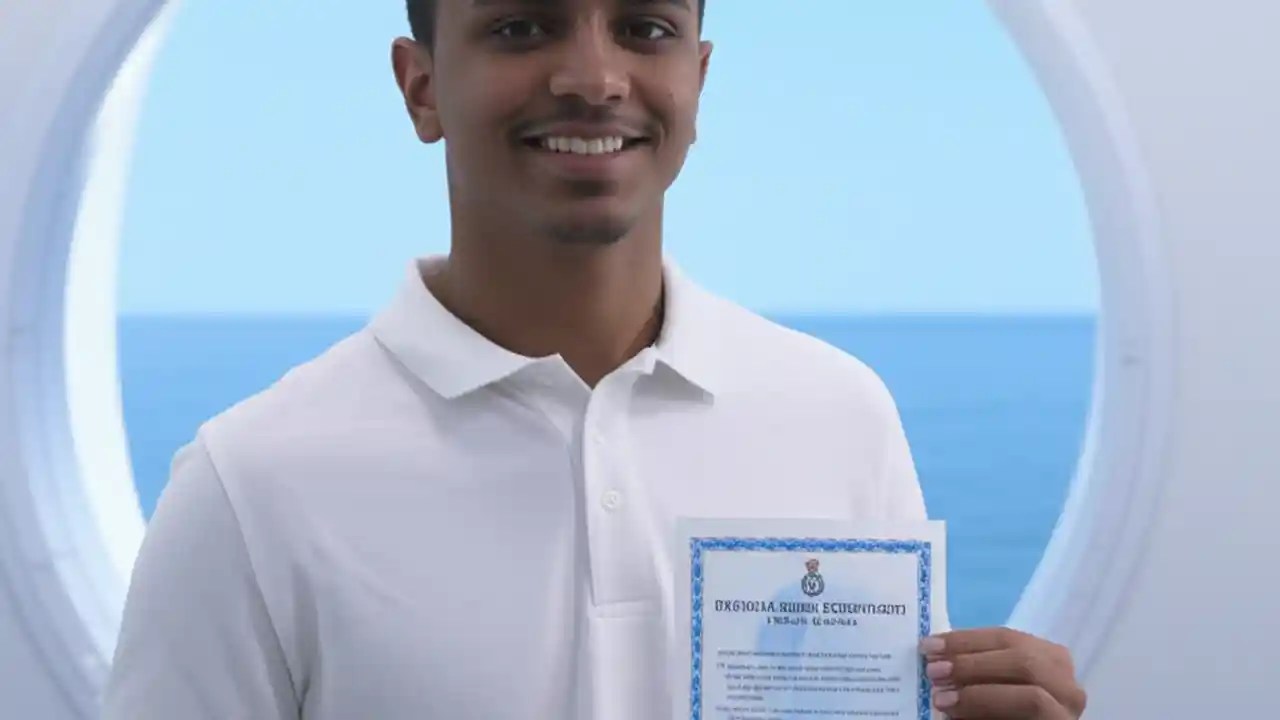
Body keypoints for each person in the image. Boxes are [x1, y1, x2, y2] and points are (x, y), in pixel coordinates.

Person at [103, 0, 1087, 718]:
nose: (591, 76)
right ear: (420, 85)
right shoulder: (254, 485)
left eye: (643, 29)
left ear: (697, 81)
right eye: (522, 27)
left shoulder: (838, 416)